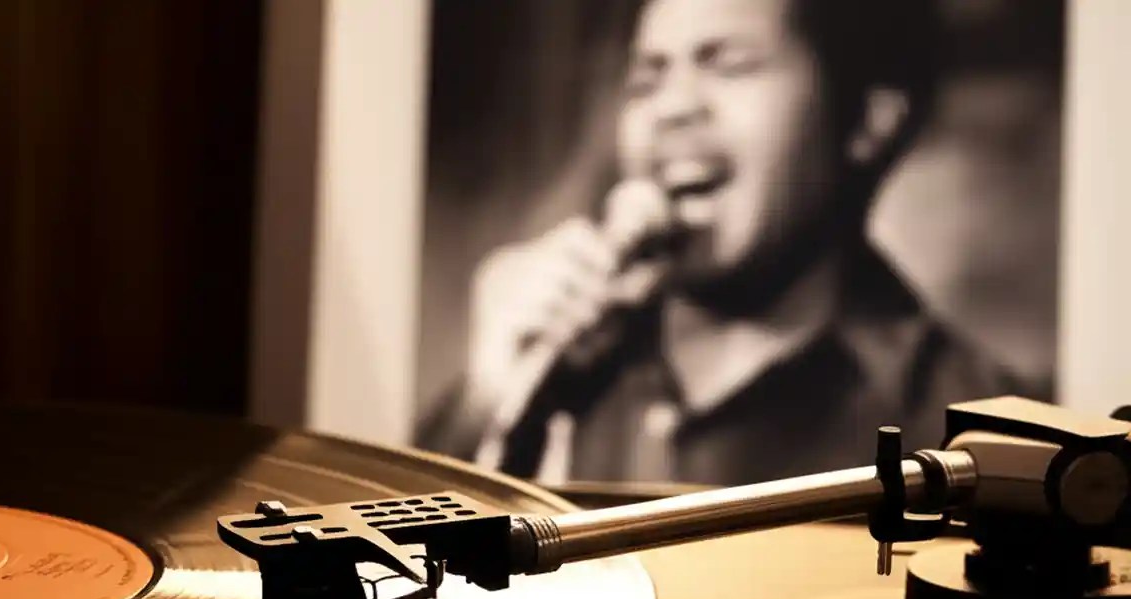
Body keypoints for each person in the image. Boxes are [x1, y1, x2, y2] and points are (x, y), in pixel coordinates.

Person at [416, 0, 1037, 487]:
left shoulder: (971, 427)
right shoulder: (561, 375)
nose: (673, 107)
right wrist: (483, 403)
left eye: (730, 64)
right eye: (646, 78)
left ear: (869, 121)